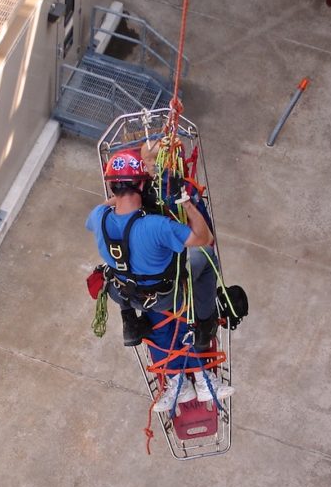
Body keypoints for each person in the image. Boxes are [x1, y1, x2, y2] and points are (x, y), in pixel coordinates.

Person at [85, 147, 232, 410]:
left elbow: (104, 207)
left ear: (112, 189)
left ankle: (131, 322)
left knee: (120, 272)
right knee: (204, 257)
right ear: (142, 184)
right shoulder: (156, 226)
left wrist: (118, 200)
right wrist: (186, 203)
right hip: (166, 296)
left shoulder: (98, 217)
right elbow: (204, 238)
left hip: (127, 294)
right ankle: (205, 323)